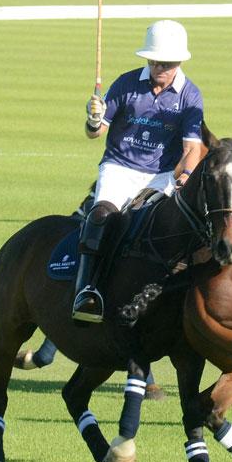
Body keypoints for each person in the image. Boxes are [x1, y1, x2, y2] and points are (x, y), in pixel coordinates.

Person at [73, 19, 205, 323]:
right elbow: (95, 133)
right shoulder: (126, 83)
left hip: (160, 176)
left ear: (179, 62)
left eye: (167, 63)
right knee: (101, 217)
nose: (159, 67)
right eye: (155, 61)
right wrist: (93, 119)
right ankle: (87, 290)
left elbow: (192, 149)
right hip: (119, 167)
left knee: (173, 231)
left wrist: (184, 177)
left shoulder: (190, 95)